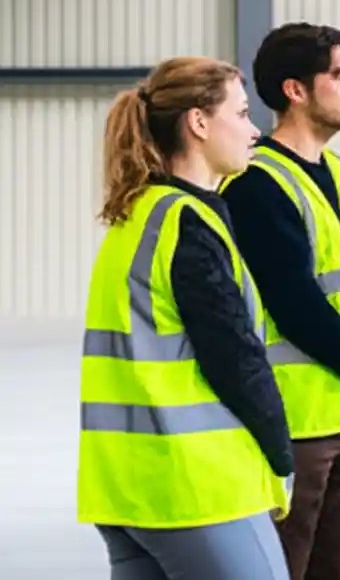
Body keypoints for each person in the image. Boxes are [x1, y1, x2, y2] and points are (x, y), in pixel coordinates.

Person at [77, 57, 293, 579]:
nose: (255, 130)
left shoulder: (134, 217)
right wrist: (282, 455)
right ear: (199, 123)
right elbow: (235, 357)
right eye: (241, 114)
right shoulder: (187, 223)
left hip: (125, 486)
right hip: (196, 488)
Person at [219, 23, 340, 580]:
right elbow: (293, 301)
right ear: (295, 90)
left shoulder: (339, 175)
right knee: (287, 569)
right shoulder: (257, 182)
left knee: (338, 570)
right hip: (297, 425)